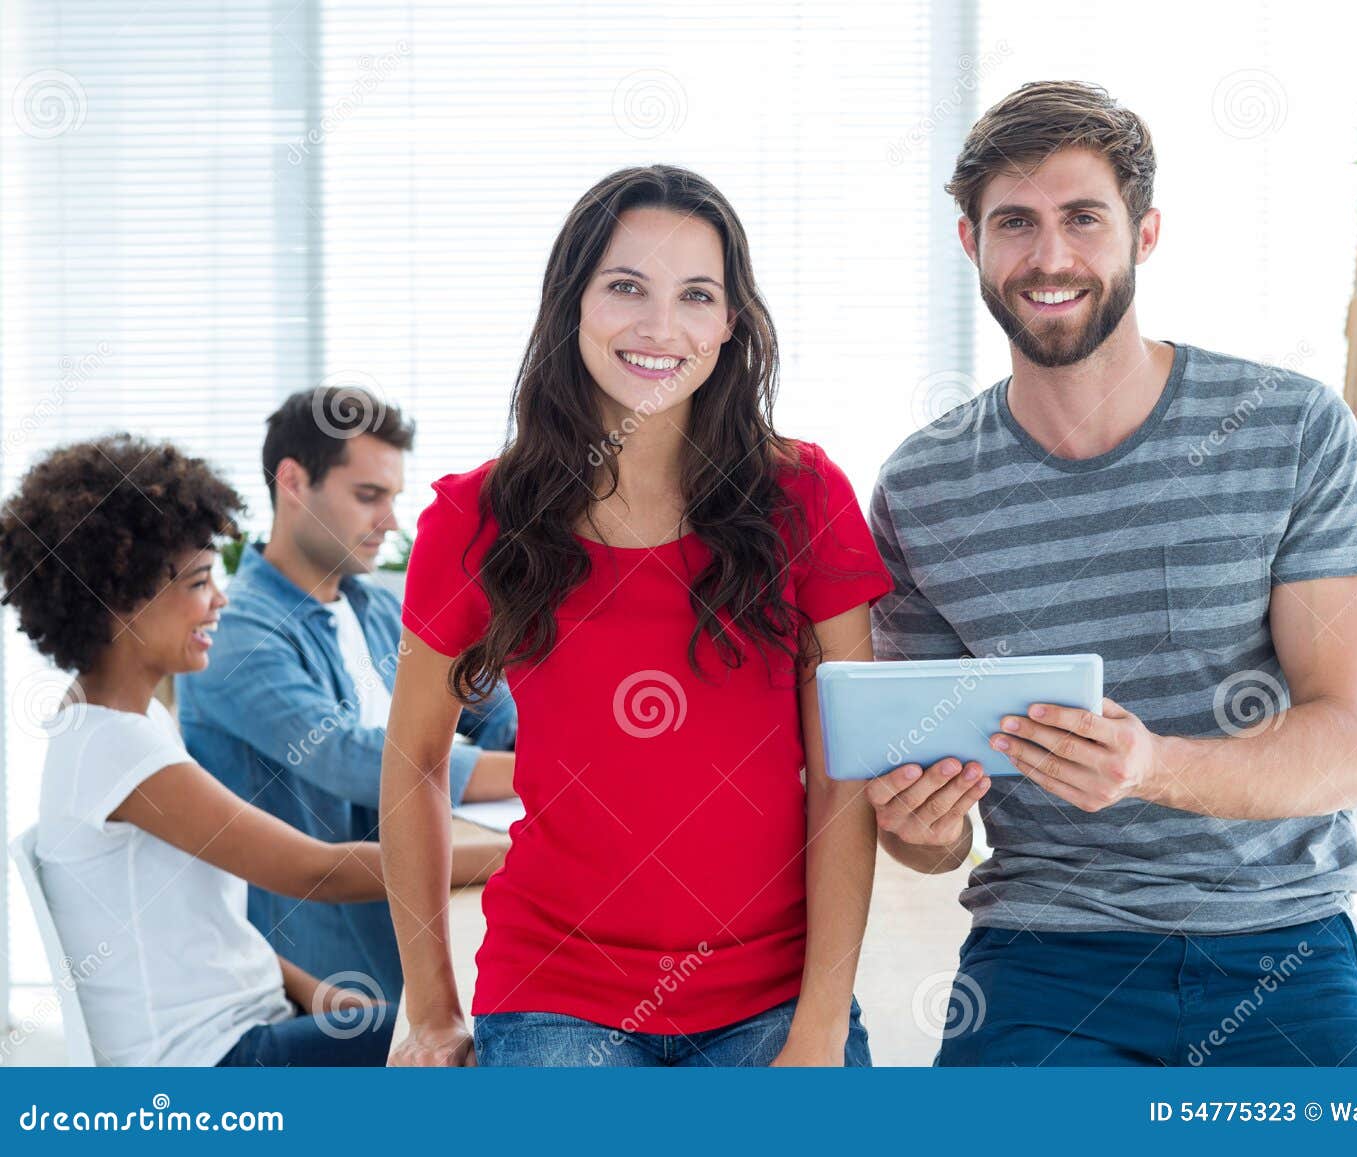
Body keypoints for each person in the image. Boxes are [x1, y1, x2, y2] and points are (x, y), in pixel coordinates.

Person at [865, 81, 1357, 1066]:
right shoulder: (921, 487)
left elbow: (1344, 745)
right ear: (970, 244)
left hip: (1280, 940)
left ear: (1144, 232)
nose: (1050, 257)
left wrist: (1152, 764)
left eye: (1083, 219)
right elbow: (932, 832)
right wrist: (922, 828)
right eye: (1015, 224)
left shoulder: (1288, 429)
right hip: (1044, 949)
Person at [383, 165, 891, 1068]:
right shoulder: (475, 518)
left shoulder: (804, 497)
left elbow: (844, 773)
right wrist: (430, 1007)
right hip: (555, 993)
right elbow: (415, 758)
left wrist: (821, 1023)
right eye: (627, 287)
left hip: (776, 994)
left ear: (729, 324)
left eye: (696, 295)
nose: (660, 328)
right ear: (571, 302)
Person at [0, 436, 493, 1065]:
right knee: (487, 1036)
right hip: (215, 1065)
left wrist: (320, 999)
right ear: (121, 597)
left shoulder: (124, 719)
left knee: (436, 1024)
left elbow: (211, 929)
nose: (221, 602)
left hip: (249, 1030)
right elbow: (316, 871)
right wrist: (514, 854)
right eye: (200, 582)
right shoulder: (117, 748)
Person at [177, 389, 517, 1006]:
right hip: (326, 971)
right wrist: (542, 772)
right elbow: (353, 758)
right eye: (368, 496)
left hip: (409, 924)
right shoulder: (237, 635)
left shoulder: (377, 606)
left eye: (392, 498)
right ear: (293, 482)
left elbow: (491, 697)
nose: (389, 522)